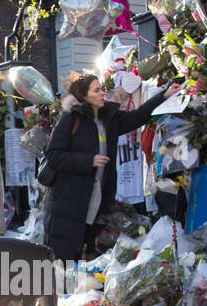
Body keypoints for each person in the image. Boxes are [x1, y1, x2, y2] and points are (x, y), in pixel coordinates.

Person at [43, 74, 178, 261]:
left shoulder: (109, 119)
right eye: (96, 90)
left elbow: (137, 117)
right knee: (63, 259)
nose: (102, 93)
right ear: (84, 96)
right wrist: (88, 160)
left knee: (85, 257)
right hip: (68, 202)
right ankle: (60, 288)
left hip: (95, 199)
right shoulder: (71, 118)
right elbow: (53, 155)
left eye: (101, 89)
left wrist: (163, 96)